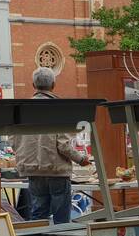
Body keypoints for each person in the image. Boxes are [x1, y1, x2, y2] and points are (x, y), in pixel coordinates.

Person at [16, 67, 90, 224]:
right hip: (56, 171)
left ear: (33, 84)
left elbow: (13, 140)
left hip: (33, 171)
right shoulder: (59, 108)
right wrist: (81, 159)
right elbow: (63, 145)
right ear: (53, 85)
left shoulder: (22, 108)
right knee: (61, 218)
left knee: (38, 216)